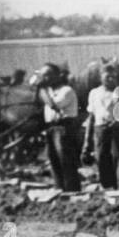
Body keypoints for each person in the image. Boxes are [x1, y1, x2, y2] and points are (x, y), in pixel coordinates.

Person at [31, 64, 83, 192]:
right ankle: (60, 188)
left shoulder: (67, 91)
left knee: (65, 159)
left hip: (63, 127)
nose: (44, 78)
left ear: (58, 76)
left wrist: (41, 88)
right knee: (53, 159)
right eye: (42, 75)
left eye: (47, 75)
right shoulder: (48, 92)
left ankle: (72, 190)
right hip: (51, 127)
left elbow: (54, 105)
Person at [83, 63, 119, 190]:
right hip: (100, 129)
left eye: (113, 77)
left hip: (116, 128)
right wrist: (87, 142)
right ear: (101, 77)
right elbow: (91, 116)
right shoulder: (94, 93)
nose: (110, 79)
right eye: (107, 76)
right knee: (101, 158)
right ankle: (108, 188)